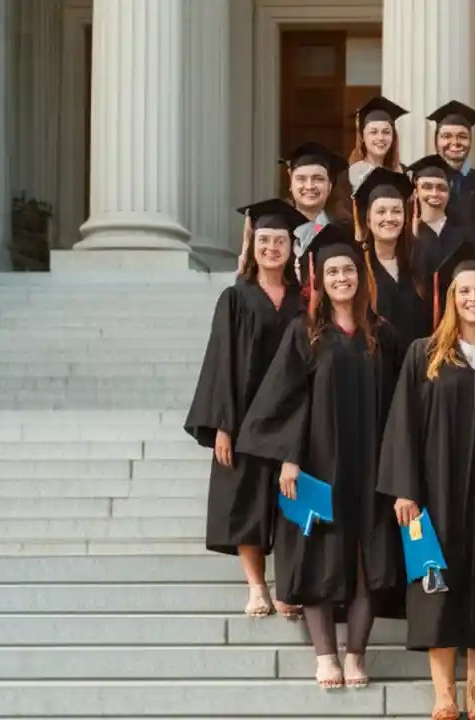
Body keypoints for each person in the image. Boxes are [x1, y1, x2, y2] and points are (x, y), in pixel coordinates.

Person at [236, 225, 405, 690]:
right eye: (332, 271)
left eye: (349, 269)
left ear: (361, 276)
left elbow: (399, 403)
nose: (342, 277)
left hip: (372, 463)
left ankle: (356, 655)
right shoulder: (304, 332)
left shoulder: (382, 335)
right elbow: (284, 399)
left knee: (368, 561)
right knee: (317, 556)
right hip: (318, 462)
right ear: (320, 279)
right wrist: (288, 457)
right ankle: (325, 655)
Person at [379, 241, 475, 720]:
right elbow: (403, 423)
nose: (474, 299)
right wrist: (405, 489)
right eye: (465, 291)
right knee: (436, 590)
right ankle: (444, 693)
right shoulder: (425, 354)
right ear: (452, 298)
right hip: (434, 494)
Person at [185, 199, 307, 619]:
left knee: (290, 506)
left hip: (291, 416)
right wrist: (222, 424)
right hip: (244, 416)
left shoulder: (305, 301)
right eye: (264, 240)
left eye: (279, 240)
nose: (271, 247)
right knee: (245, 499)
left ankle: (290, 585)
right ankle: (257, 587)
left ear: (292, 248)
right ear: (252, 245)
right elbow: (220, 361)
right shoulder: (234, 298)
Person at [350, 165, 430, 366]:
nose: (389, 218)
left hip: (416, 371)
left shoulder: (420, 262)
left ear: (405, 217)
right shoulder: (357, 266)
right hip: (372, 373)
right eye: (381, 211)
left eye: (396, 211)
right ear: (368, 218)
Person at [278, 142, 351, 289]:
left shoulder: (345, 233)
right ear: (291, 183)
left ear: (330, 185)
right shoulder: (277, 230)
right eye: (301, 179)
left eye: (318, 179)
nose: (310, 186)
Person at [407, 154, 475, 297]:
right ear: (416, 193)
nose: (435, 193)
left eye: (441, 188)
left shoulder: (466, 236)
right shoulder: (405, 233)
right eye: (427, 187)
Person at [428, 100, 475, 230]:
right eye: (446, 136)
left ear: (471, 140)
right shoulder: (422, 188)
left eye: (462, 136)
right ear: (436, 141)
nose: (455, 142)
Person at [348, 95, 407, 188]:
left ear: (393, 137)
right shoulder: (349, 176)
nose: (380, 137)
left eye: (386, 132)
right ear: (362, 137)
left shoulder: (404, 173)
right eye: (373, 132)